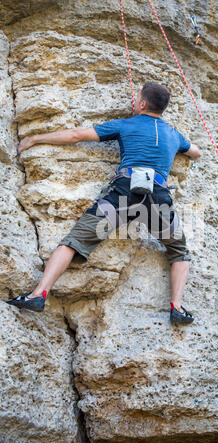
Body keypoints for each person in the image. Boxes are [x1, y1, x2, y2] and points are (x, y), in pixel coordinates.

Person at [6, 82, 201, 324]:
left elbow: (77, 135)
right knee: (179, 252)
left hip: (123, 194)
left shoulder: (126, 124)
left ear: (142, 104)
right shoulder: (174, 135)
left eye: (137, 98)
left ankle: (38, 294)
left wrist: (35, 138)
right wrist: (178, 148)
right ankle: (177, 308)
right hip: (157, 199)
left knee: (75, 240)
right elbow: (196, 152)